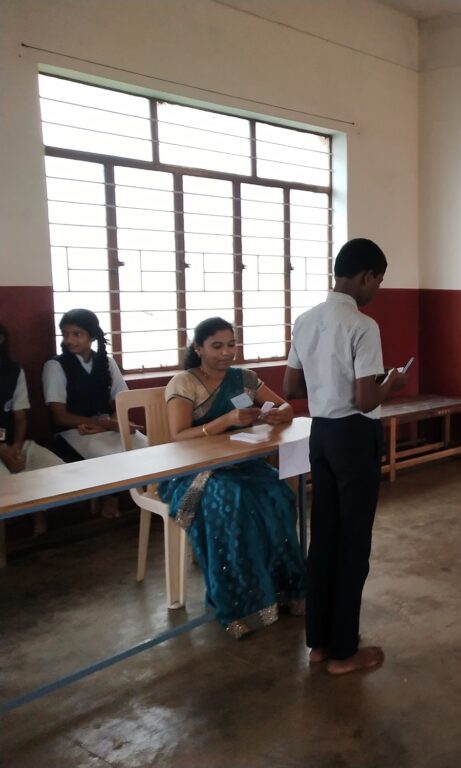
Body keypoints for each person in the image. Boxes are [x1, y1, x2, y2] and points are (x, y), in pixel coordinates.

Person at [283, 238, 407, 675]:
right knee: (354, 543)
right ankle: (343, 653)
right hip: (354, 437)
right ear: (366, 276)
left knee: (326, 539)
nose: (376, 290)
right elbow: (363, 397)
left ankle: (318, 643)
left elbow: (292, 389)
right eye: (378, 281)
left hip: (321, 435)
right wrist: (390, 382)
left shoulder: (305, 320)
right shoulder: (362, 325)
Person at [158, 316, 305, 638]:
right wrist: (226, 420)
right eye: (217, 346)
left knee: (278, 493)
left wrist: (279, 413)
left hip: (241, 462)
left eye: (231, 345)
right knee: (233, 500)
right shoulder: (184, 383)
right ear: (198, 348)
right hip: (194, 470)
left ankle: (283, 590)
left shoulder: (245, 379)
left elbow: (286, 408)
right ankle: (241, 602)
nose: (226, 353)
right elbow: (179, 436)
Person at [43, 308, 145, 518]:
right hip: (72, 431)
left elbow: (121, 400)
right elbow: (59, 416)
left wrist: (115, 421)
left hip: (104, 426)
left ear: (91, 335)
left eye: (77, 334)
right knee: (113, 458)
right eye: (65, 334)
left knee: (146, 448)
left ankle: (146, 498)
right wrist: (108, 425)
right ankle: (110, 498)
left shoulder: (106, 362)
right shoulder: (55, 366)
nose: (69, 340)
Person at [0, 322, 63, 537]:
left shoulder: (12, 371)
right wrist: (3, 450)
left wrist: (15, 448)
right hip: (1, 446)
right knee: (4, 481)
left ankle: (38, 514)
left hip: (14, 442)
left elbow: (20, 417)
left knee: (59, 470)